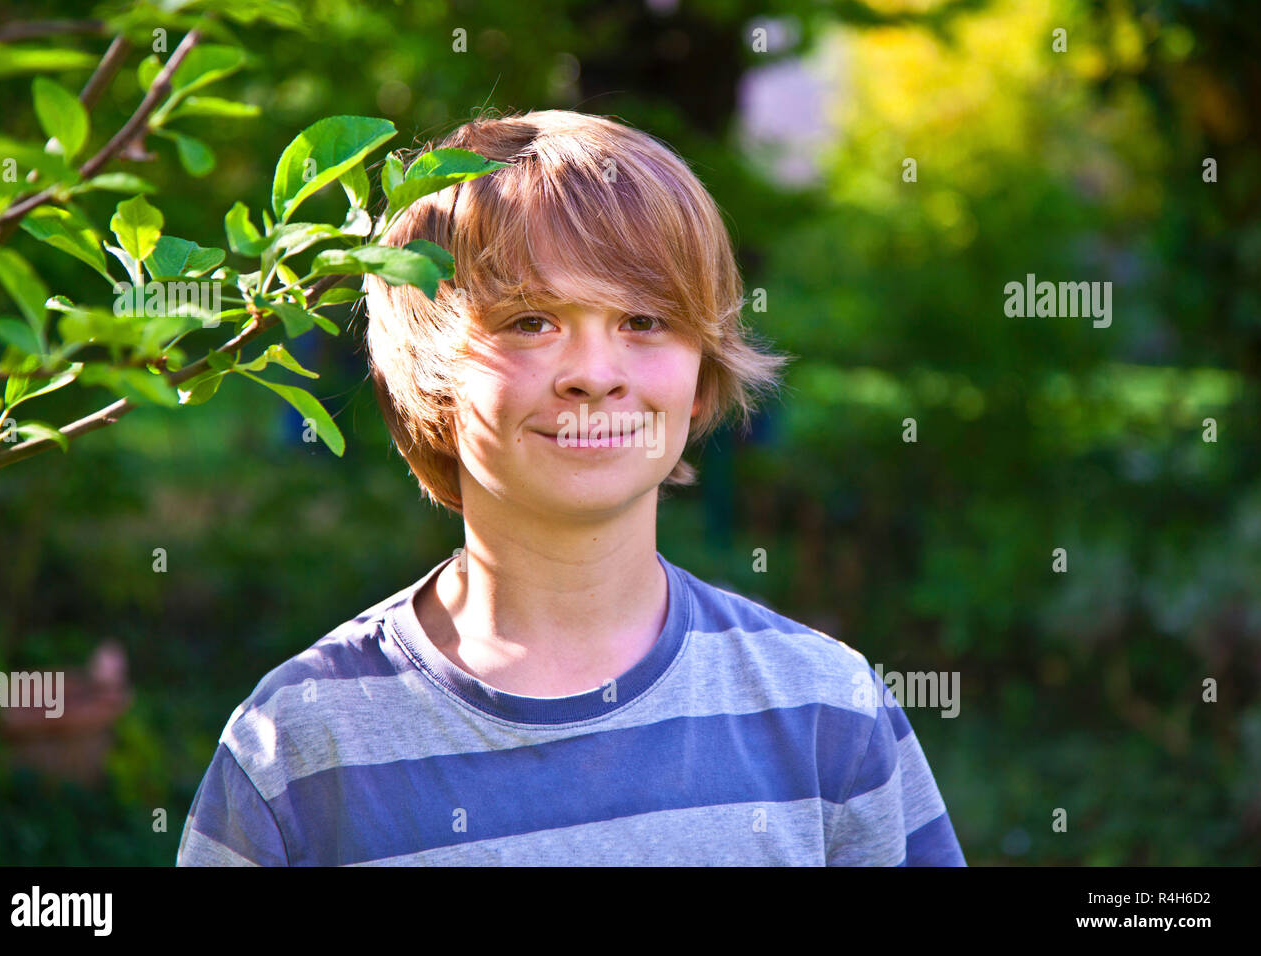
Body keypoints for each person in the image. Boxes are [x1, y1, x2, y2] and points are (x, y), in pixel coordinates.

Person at [176, 109, 966, 866]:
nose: (594, 375)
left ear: (701, 376)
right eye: (530, 322)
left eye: (645, 320)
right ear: (431, 378)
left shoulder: (828, 712)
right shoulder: (301, 745)